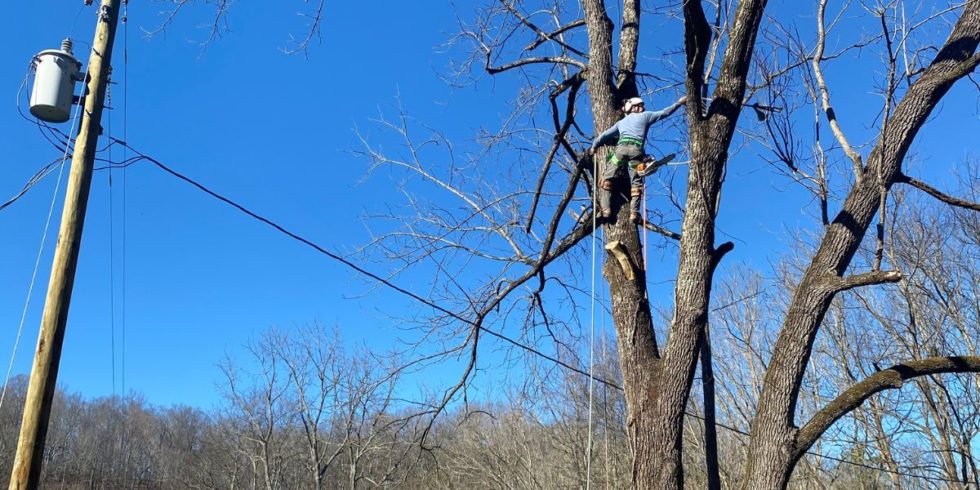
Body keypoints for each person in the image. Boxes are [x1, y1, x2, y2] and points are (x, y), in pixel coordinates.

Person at [590, 95, 686, 223]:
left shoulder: (621, 123)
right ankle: (634, 213)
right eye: (640, 106)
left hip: (621, 151)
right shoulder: (646, 116)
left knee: (606, 179)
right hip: (636, 151)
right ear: (635, 107)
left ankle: (606, 210)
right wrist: (678, 103)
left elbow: (605, 135)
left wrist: (594, 145)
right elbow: (664, 113)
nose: (642, 108)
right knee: (636, 183)